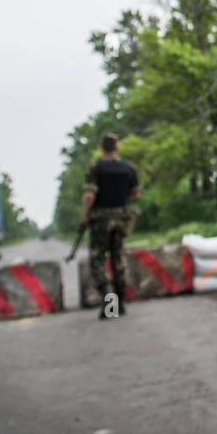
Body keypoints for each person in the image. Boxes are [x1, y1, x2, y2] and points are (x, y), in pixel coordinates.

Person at [81, 133, 140, 320]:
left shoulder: (96, 167)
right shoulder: (128, 168)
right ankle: (120, 303)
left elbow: (89, 195)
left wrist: (85, 214)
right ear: (117, 148)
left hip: (101, 218)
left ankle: (109, 299)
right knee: (118, 257)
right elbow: (135, 194)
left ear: (101, 148)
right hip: (121, 217)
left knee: (97, 258)